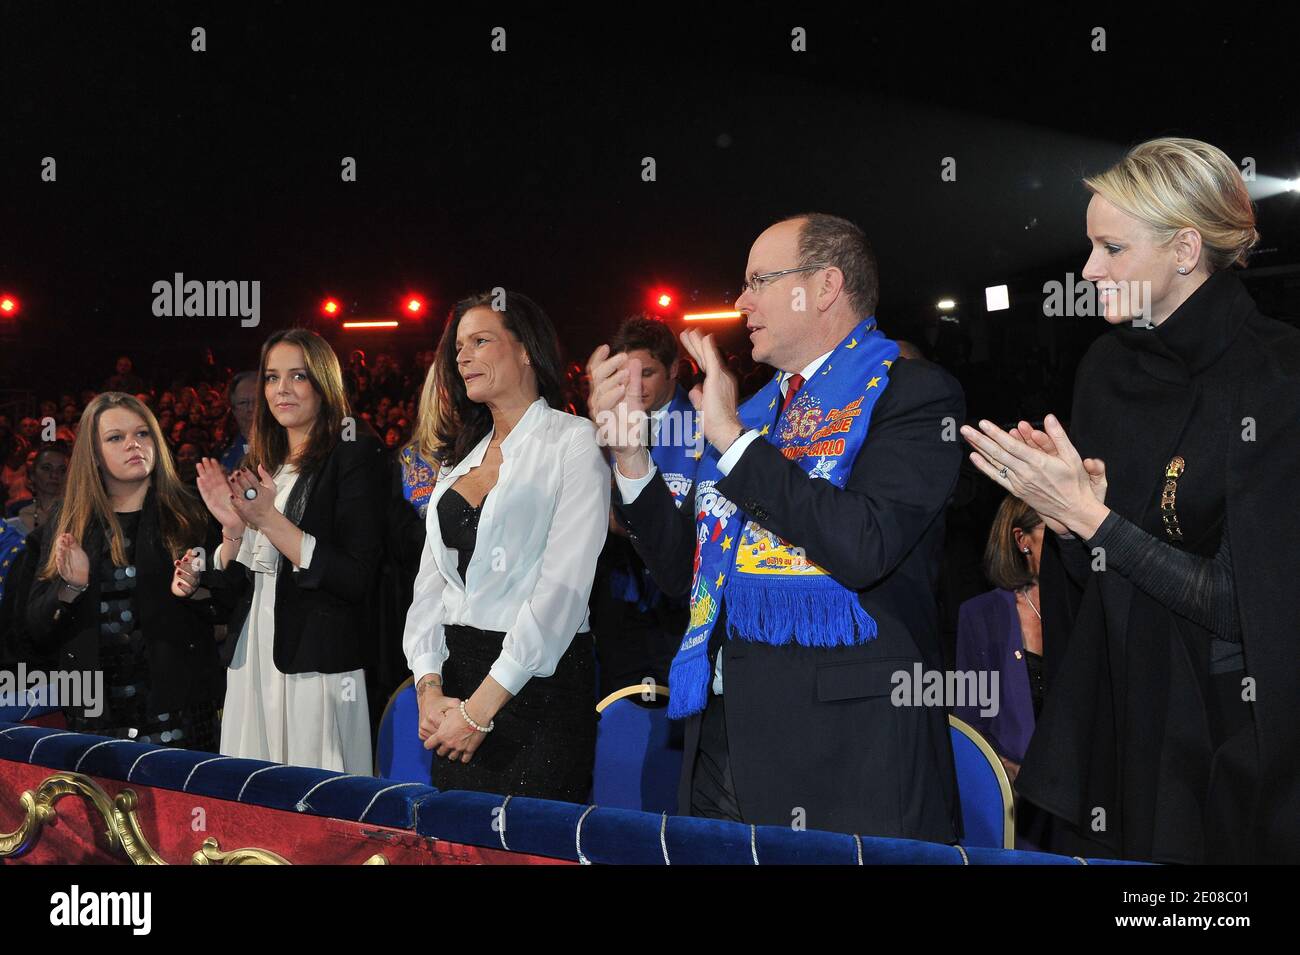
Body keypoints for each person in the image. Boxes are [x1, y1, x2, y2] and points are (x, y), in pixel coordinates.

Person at [960, 137, 1300, 864]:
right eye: (1090, 247)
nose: (1088, 271)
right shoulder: (1108, 370)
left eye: (1112, 248)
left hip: (1227, 747)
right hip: (1120, 718)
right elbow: (1097, 582)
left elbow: (1245, 608)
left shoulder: (1277, 377)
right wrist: (1069, 524)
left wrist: (1092, 518)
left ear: (1184, 249)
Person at [589, 213, 965, 838]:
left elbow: (863, 544)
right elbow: (689, 574)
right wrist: (631, 459)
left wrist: (734, 443)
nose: (740, 302)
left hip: (850, 755)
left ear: (824, 286)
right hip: (725, 743)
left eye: (759, 280)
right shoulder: (755, 409)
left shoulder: (910, 394)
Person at [402, 290, 609, 802]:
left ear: (526, 351)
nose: (463, 356)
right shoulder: (458, 460)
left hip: (539, 688)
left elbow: (563, 590)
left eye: (480, 341)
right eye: (458, 349)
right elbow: (429, 586)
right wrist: (429, 689)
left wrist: (480, 710)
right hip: (455, 688)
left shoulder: (573, 441)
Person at [186, 328, 386, 774]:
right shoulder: (263, 462)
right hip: (252, 655)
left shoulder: (355, 453)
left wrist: (271, 521)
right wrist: (232, 530)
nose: (282, 389)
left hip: (314, 663)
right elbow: (237, 586)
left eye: (298, 376)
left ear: (324, 383)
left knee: (313, 808)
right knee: (252, 802)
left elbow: (355, 576)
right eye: (273, 378)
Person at [16, 393, 223, 749]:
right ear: (94, 455)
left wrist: (198, 588)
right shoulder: (69, 522)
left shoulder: (191, 513)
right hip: (95, 722)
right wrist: (71, 587)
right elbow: (34, 629)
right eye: (116, 437)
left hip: (182, 718)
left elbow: (229, 606)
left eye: (142, 434)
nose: (133, 444)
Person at [590, 314, 698, 698]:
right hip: (620, 600)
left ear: (674, 369)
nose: (635, 388)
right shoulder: (600, 429)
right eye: (625, 378)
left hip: (682, 609)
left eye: (647, 373)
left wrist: (619, 518)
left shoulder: (704, 426)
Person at [954, 495, 1045, 781]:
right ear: (1022, 541)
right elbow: (969, 721)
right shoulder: (981, 615)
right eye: (1052, 530)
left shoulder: (1084, 605)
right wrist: (1002, 772)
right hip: (1016, 796)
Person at [219, 371, 258, 472]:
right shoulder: (224, 454)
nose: (250, 408)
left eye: (257, 401)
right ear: (233, 410)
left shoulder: (289, 446)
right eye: (243, 402)